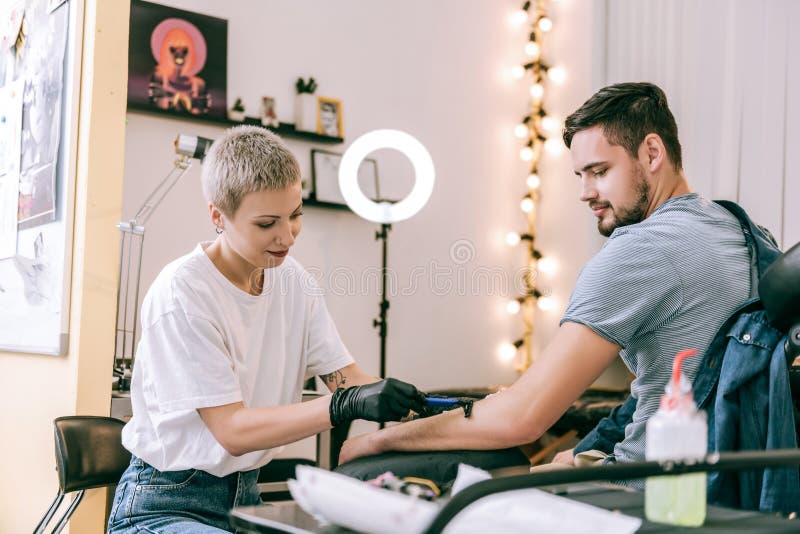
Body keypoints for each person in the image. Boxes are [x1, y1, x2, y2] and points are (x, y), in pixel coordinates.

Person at [339, 82, 754, 479]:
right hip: (727, 483)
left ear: (651, 152)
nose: (585, 192)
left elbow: (521, 418)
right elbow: (673, 384)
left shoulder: (643, 250)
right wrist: (584, 449)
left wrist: (379, 440)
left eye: (599, 171)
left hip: (644, 490)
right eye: (580, 176)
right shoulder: (739, 230)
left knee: (395, 479)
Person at [108, 126, 424, 533]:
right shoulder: (183, 294)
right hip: (165, 504)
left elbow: (345, 379)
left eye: (295, 215)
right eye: (266, 223)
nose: (287, 236)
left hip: (247, 496)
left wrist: (422, 408)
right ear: (218, 216)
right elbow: (232, 430)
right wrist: (343, 406)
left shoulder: (294, 282)